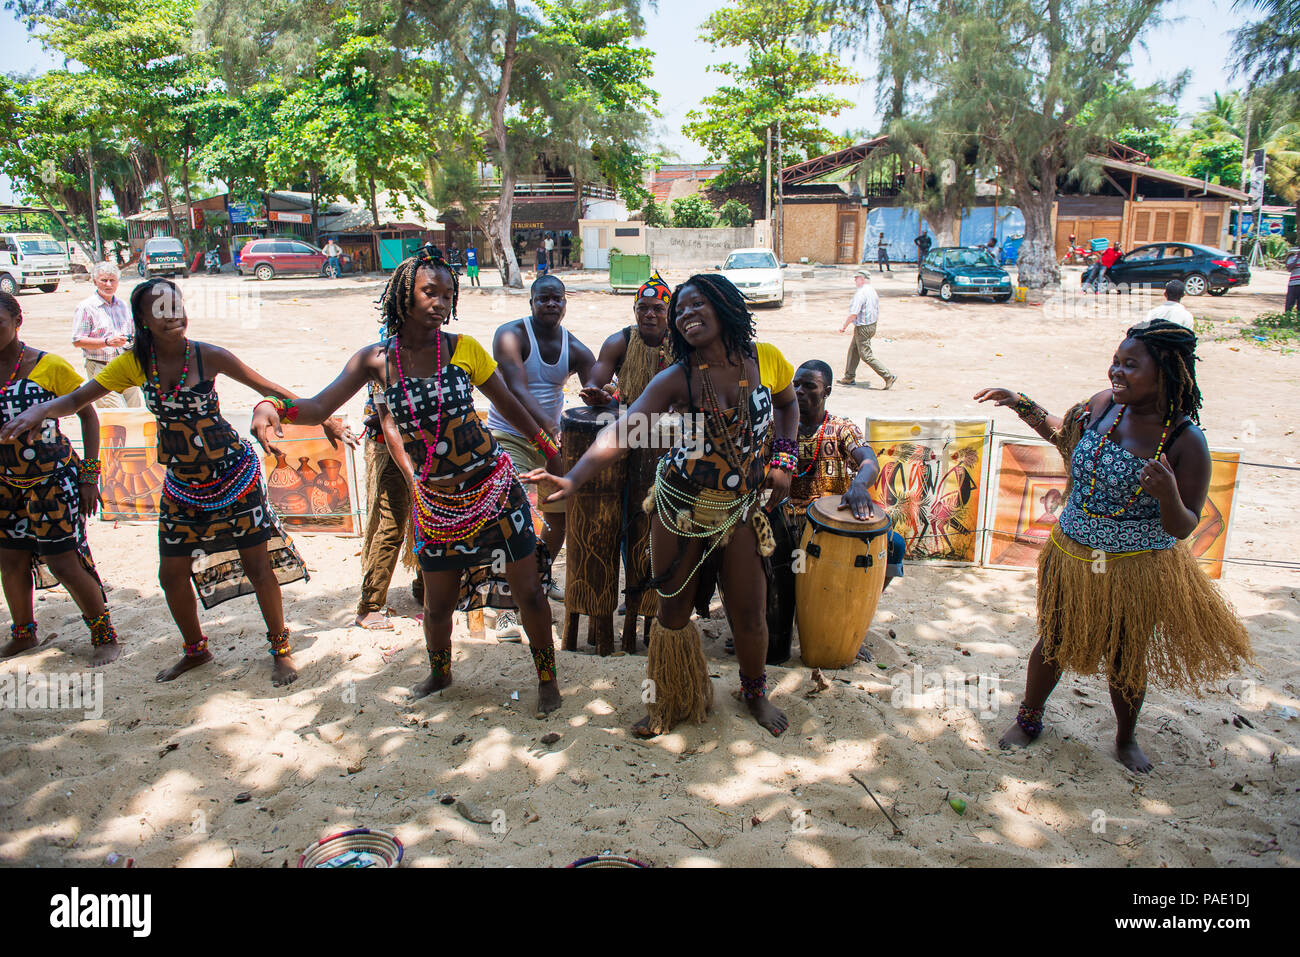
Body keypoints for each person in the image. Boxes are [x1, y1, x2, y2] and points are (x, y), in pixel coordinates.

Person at [249, 245, 564, 714]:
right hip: (437, 505)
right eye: (428, 292)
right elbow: (316, 408)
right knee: (437, 607)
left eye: (447, 294)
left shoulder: (463, 349)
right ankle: (440, 673)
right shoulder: (376, 361)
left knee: (529, 595)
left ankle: (547, 681)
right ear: (404, 296)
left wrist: (558, 454)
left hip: (494, 491)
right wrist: (269, 406)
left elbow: (514, 410)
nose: (439, 302)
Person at [3, 279, 349, 687]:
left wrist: (323, 416)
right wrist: (41, 409)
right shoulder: (135, 363)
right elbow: (78, 401)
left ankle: (280, 650)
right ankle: (195, 649)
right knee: (171, 575)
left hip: (234, 476)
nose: (173, 315)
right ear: (143, 320)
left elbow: (271, 390)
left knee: (258, 568)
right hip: (182, 485)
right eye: (161, 309)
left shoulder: (208, 355)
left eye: (177, 305)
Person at [526, 273, 798, 738]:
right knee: (671, 616)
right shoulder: (678, 378)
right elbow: (623, 431)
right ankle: (669, 700)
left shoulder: (765, 359)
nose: (686, 315)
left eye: (696, 306)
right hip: (679, 507)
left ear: (725, 306)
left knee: (750, 614)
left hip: (740, 508)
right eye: (681, 312)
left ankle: (754, 693)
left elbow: (788, 404)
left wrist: (786, 458)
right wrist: (572, 478)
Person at [974, 319, 1253, 772]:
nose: (1115, 372)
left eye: (1130, 365)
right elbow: (1060, 433)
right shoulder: (1102, 407)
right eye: (1115, 361)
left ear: (1164, 372)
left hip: (1135, 568)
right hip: (1073, 554)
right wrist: (1019, 402)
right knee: (1055, 639)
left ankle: (1125, 739)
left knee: (1126, 652)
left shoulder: (1186, 441)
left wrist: (1167, 495)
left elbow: (1184, 527)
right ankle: (1029, 719)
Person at [0, 291, 121, 666]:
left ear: (17, 322)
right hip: (4, 483)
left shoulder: (47, 365)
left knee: (63, 561)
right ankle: (24, 633)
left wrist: (89, 477)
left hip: (53, 480)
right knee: (10, 558)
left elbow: (89, 415)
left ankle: (105, 636)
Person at [763, 359, 905, 664]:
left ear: (826, 391)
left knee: (893, 546)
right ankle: (760, 628)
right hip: (785, 521)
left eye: (808, 386)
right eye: (796, 384)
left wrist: (859, 486)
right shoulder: (777, 427)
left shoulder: (841, 428)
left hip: (830, 527)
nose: (799, 391)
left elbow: (868, 461)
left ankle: (850, 622)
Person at [488, 274, 596, 615]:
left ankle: (540, 576)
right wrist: (550, 426)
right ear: (531, 302)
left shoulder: (574, 347)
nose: (551, 304)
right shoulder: (510, 335)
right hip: (511, 435)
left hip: (550, 444)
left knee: (559, 514)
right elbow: (517, 390)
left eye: (557, 299)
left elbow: (597, 380)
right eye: (543, 299)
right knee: (512, 516)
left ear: (565, 303)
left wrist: (601, 391)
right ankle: (505, 601)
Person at [580, 271, 675, 628]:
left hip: (670, 441)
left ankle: (658, 593)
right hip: (629, 436)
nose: (649, 314)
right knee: (627, 518)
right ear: (634, 310)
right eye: (643, 308)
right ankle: (632, 592)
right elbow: (597, 375)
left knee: (662, 518)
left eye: (657, 309)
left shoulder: (681, 344)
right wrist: (598, 391)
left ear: (669, 313)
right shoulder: (620, 340)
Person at [354, 383, 424, 630]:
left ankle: (425, 589)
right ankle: (370, 606)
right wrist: (410, 475)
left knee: (427, 520)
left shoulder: (433, 353)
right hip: (390, 448)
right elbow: (387, 422)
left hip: (423, 446)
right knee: (392, 525)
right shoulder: (383, 363)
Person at [72, 262, 143, 409]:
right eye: (104, 280)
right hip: (101, 367)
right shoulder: (86, 307)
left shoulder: (123, 305)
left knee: (134, 411)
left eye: (112, 280)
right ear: (95, 281)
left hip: (125, 366)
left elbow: (133, 333)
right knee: (116, 414)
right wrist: (106, 342)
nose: (108, 284)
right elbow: (78, 340)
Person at [838, 271, 896, 389]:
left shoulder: (861, 293)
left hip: (863, 327)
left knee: (866, 355)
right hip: (871, 325)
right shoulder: (872, 290)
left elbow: (854, 313)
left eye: (857, 278)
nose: (855, 281)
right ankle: (849, 377)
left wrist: (844, 326)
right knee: (854, 350)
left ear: (862, 279)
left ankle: (888, 375)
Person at [1284, 246, 1300, 314]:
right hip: (1293, 283)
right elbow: (1289, 268)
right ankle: (1287, 318)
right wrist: (1297, 258)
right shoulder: (1292, 257)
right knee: (1289, 303)